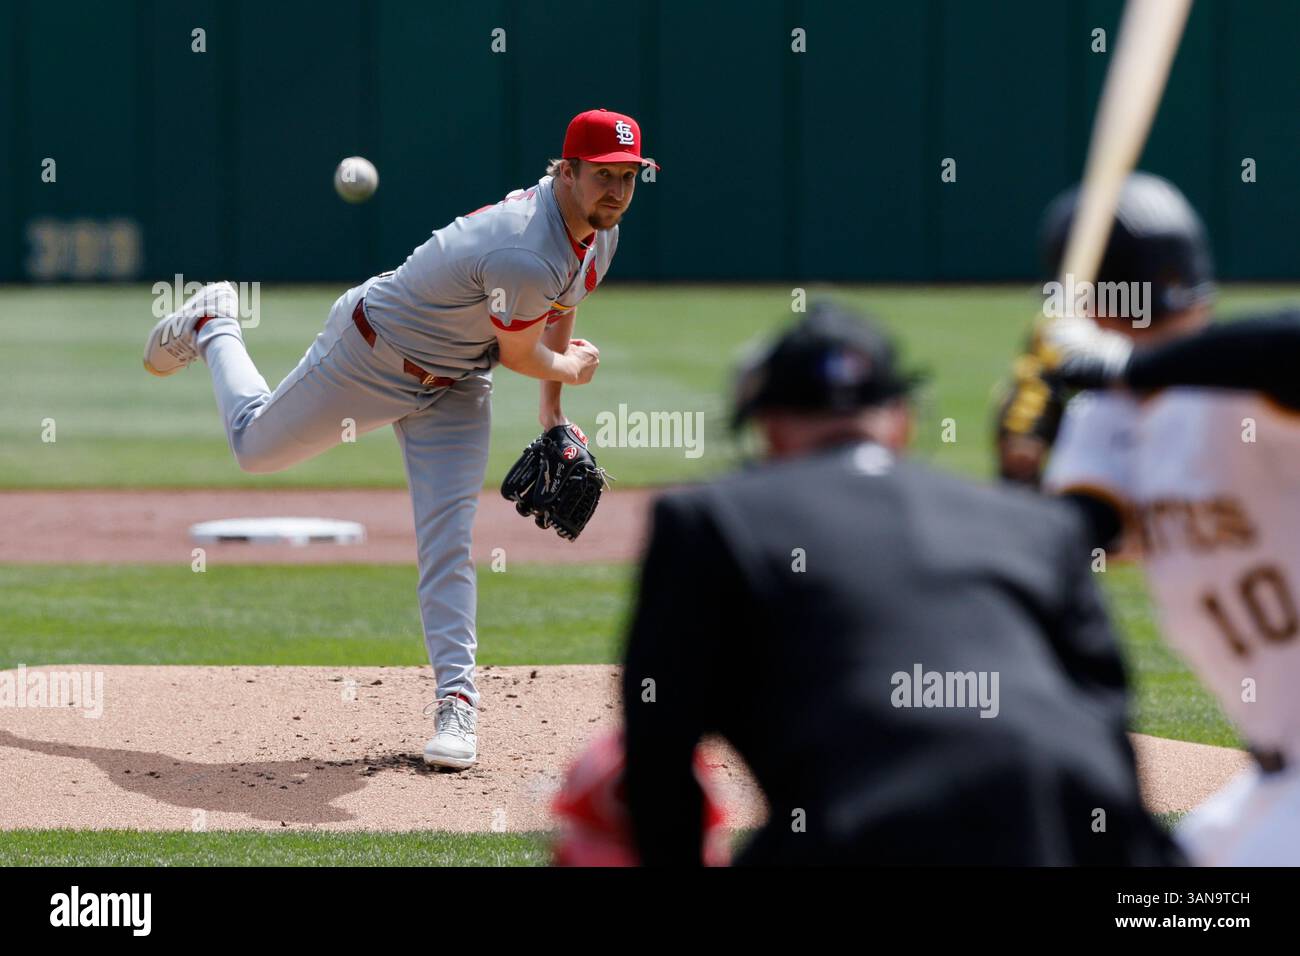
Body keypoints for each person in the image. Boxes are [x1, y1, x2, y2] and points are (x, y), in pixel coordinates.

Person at [141, 108, 657, 770]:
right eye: (602, 175)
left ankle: (458, 703)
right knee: (253, 447)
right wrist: (569, 372)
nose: (615, 191)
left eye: (628, 177)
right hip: (371, 354)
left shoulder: (598, 234)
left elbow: (563, 302)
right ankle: (214, 320)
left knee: (449, 540)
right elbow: (525, 350)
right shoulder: (524, 247)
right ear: (568, 171)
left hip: (457, 384)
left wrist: (552, 414)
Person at [620, 302, 1177, 865]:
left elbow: (658, 756)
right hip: (1070, 833)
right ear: (902, 419)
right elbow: (1106, 715)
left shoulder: (709, 520)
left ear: (768, 426)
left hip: (862, 835)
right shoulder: (1036, 525)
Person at [1012, 172, 1300, 865]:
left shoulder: (1257, 390)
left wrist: (1129, 368)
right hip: (1275, 781)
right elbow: (1066, 545)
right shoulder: (1108, 415)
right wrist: (1023, 456)